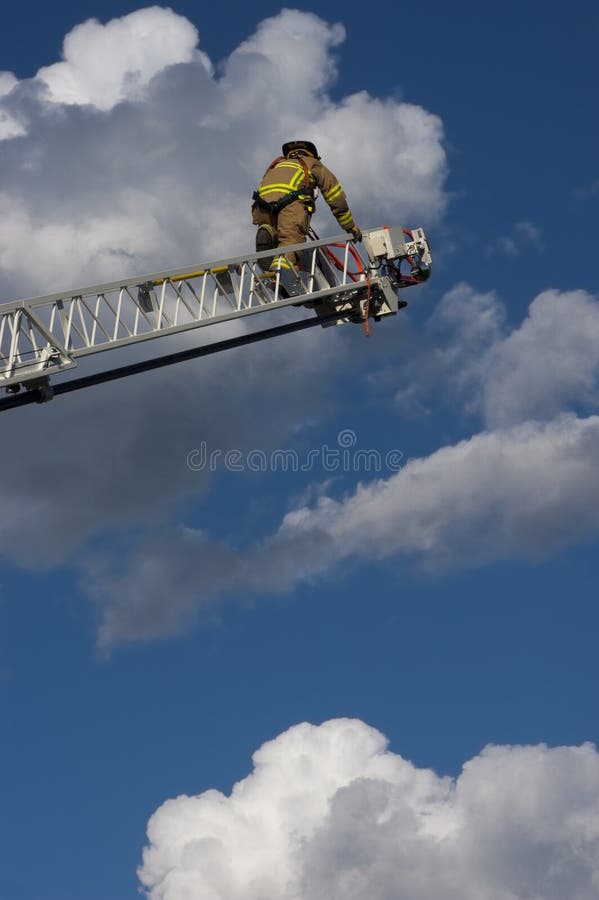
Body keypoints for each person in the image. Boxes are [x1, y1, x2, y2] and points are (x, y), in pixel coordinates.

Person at [252, 140, 362, 271]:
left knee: (276, 234)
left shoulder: (277, 165)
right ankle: (281, 271)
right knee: (291, 239)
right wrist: (350, 227)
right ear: (312, 155)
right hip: (290, 204)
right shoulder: (312, 163)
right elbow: (335, 196)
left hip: (261, 205)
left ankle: (268, 231)